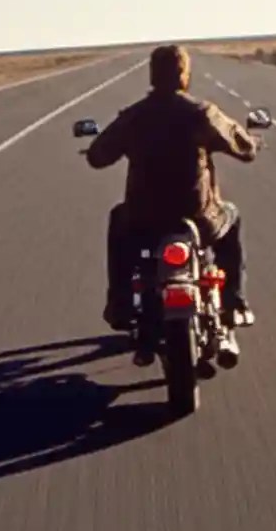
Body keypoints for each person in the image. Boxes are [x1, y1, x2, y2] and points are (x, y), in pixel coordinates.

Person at [85, 44, 263, 341]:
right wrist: (253, 142)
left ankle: (120, 302)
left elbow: (97, 157)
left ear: (153, 75)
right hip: (198, 218)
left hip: (143, 221)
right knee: (232, 217)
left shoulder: (134, 117)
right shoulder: (202, 113)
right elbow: (243, 147)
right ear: (184, 74)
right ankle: (234, 302)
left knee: (118, 221)